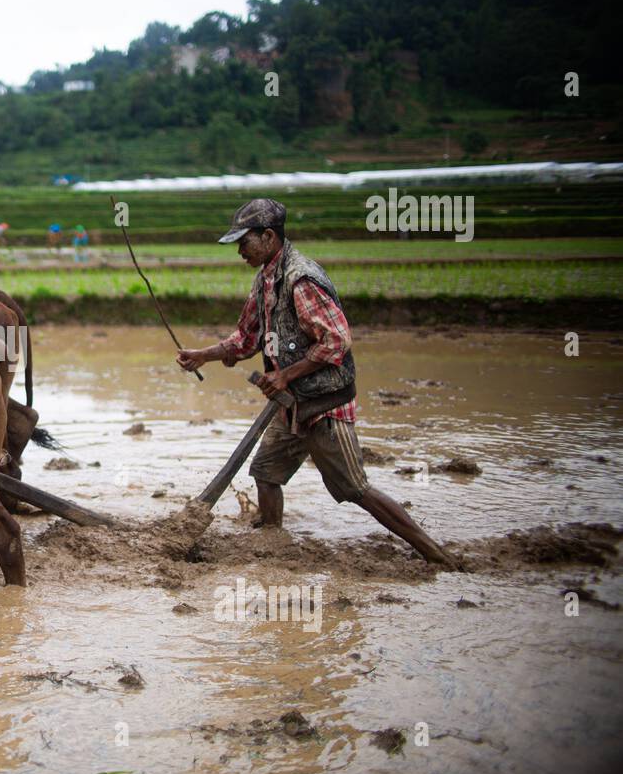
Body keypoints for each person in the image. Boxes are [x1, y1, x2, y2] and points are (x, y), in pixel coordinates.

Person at [175, 197, 461, 569]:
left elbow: (336, 341)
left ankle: (437, 554)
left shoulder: (300, 279)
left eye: (244, 241)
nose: (240, 250)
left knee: (355, 489)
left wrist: (285, 374)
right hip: (290, 404)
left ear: (268, 237)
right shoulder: (265, 279)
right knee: (266, 473)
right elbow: (246, 338)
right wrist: (203, 355)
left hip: (323, 404)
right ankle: (272, 548)